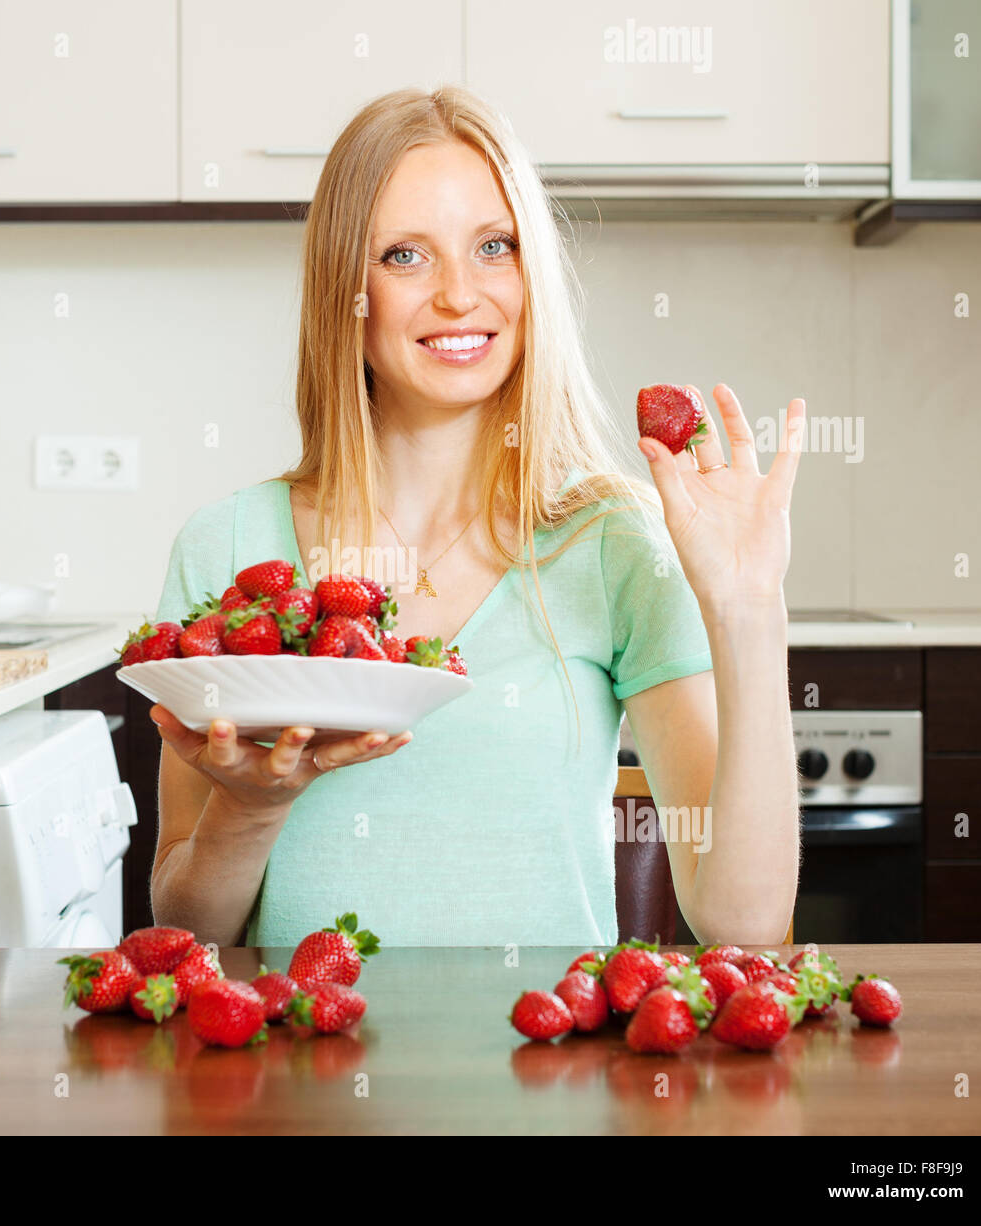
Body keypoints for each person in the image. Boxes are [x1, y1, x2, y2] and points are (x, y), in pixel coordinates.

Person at [147, 86, 802, 950]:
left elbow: (745, 923)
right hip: (303, 1074)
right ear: (348, 289)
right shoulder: (226, 546)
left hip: (549, 1073)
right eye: (406, 256)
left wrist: (749, 611)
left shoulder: (615, 545)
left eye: (495, 246)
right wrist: (251, 803)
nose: (461, 295)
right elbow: (185, 926)